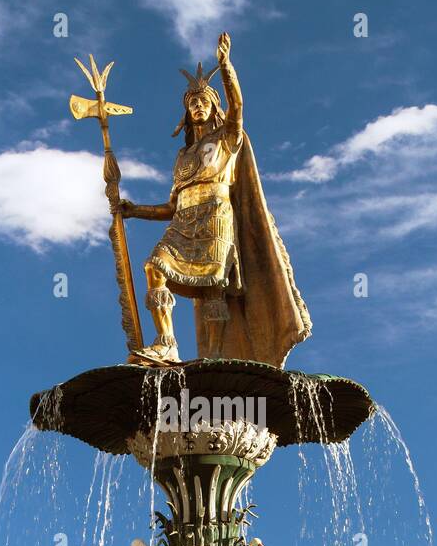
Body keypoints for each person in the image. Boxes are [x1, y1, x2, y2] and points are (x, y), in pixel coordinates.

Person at [117, 32, 310, 368]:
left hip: (216, 218)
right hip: (185, 221)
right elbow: (170, 207)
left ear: (213, 106)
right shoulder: (183, 156)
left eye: (203, 101)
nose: (197, 106)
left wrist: (226, 67)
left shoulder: (227, 138)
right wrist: (134, 211)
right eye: (192, 102)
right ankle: (166, 343)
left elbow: (237, 107)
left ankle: (217, 356)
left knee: (212, 289)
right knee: (154, 266)